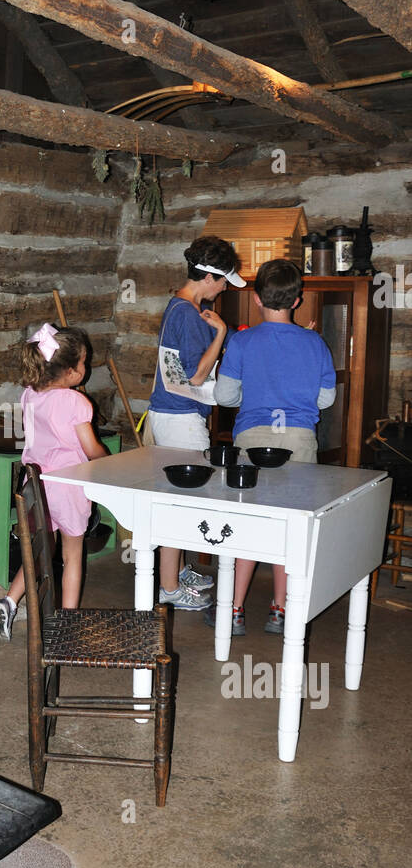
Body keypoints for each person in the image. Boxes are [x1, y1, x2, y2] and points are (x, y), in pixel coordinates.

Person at [215, 258, 336, 634]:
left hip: (252, 439)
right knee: (290, 527)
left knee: (246, 522)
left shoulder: (242, 340)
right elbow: (326, 398)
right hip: (298, 440)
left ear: (255, 298)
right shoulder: (315, 342)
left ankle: (234, 610)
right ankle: (279, 610)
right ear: (297, 301)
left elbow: (225, 395)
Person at [0, 323, 109, 641]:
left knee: (41, 550)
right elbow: (90, 448)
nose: (86, 368)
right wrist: (107, 458)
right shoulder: (75, 403)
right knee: (72, 555)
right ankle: (67, 626)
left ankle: (10, 600)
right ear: (70, 371)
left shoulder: (28, 395)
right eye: (84, 363)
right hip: (68, 488)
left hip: (35, 486)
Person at [148, 235, 246, 610]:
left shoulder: (180, 304)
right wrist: (221, 334)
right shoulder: (189, 314)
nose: (223, 290)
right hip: (180, 416)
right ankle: (169, 588)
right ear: (209, 277)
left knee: (179, 498)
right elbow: (194, 375)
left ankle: (179, 570)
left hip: (170, 412)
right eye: (223, 282)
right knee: (179, 502)